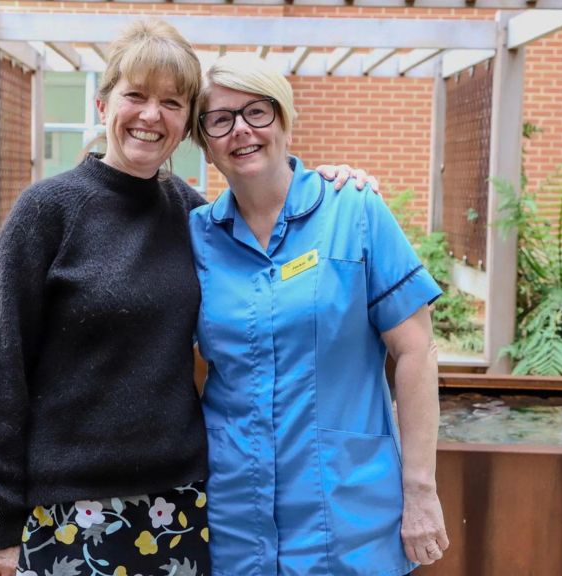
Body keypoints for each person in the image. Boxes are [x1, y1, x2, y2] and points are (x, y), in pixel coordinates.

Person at [0, 21, 378, 576]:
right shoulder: (47, 212)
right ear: (103, 105)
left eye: (172, 102)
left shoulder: (194, 217)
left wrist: (331, 186)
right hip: (65, 511)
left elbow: (276, 243)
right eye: (136, 95)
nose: (151, 115)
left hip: (178, 506)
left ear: (186, 127)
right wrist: (1, 523)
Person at [188, 53, 450, 575]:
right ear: (206, 144)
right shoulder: (195, 236)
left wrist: (421, 490)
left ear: (284, 120)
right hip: (234, 513)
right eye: (220, 119)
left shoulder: (354, 211)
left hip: (349, 512)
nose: (241, 130)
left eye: (257, 111)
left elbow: (416, 351)